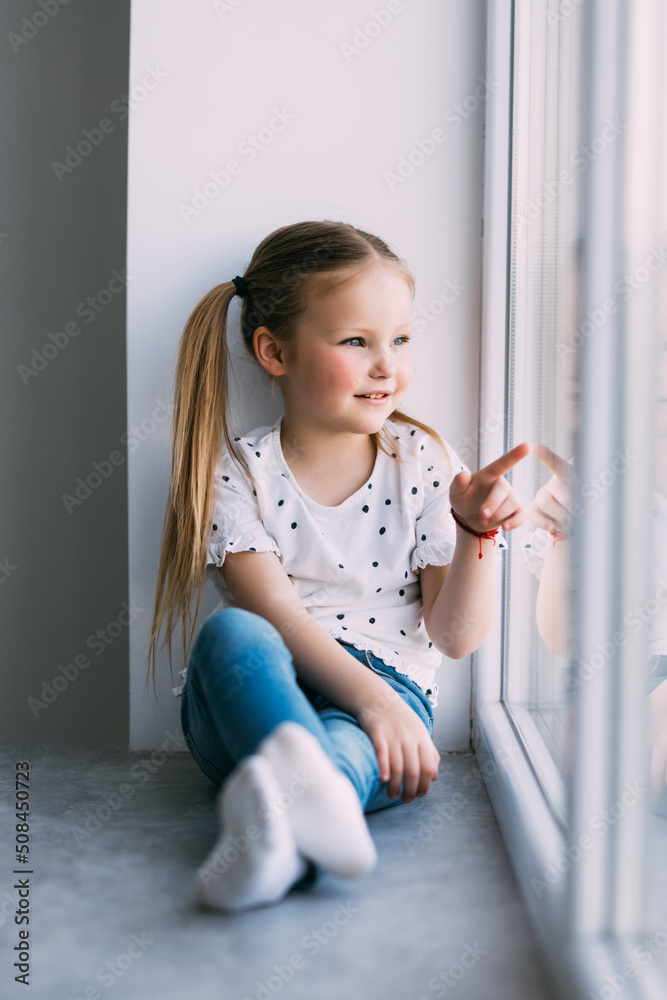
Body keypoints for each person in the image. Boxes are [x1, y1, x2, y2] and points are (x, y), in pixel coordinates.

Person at [147, 220, 529, 913]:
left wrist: (475, 530)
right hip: (254, 703)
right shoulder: (237, 473)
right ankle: (302, 805)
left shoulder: (420, 464)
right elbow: (278, 616)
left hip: (383, 709)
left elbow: (456, 637)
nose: (387, 365)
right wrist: (374, 700)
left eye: (400, 339)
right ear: (274, 351)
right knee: (231, 634)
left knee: (342, 750)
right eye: (356, 342)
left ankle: (274, 845)